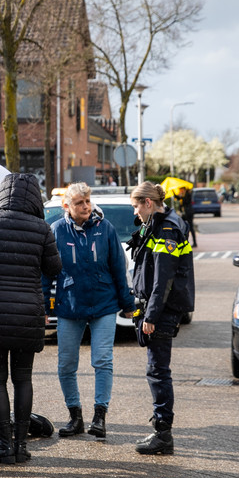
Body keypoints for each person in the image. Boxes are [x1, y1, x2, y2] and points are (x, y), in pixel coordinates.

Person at [0, 172, 61, 465]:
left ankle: (4, 445)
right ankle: (22, 446)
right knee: (23, 378)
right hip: (28, 310)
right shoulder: (42, 228)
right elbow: (54, 269)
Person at [50, 182, 139, 440]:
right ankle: (75, 416)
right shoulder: (56, 231)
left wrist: (128, 305)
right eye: (79, 202)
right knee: (66, 364)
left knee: (103, 360)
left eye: (87, 201)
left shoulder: (106, 229)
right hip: (70, 306)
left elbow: (118, 270)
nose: (86, 206)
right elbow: (46, 274)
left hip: (103, 304)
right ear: (66, 206)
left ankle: (100, 416)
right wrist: (44, 306)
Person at [127, 181, 195, 455]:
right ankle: (160, 429)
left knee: (158, 371)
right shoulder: (160, 224)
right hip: (158, 307)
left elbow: (163, 280)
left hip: (163, 311)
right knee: (156, 370)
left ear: (148, 203)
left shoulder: (167, 228)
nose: (136, 212)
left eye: (136, 206)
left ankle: (163, 433)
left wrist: (151, 315)